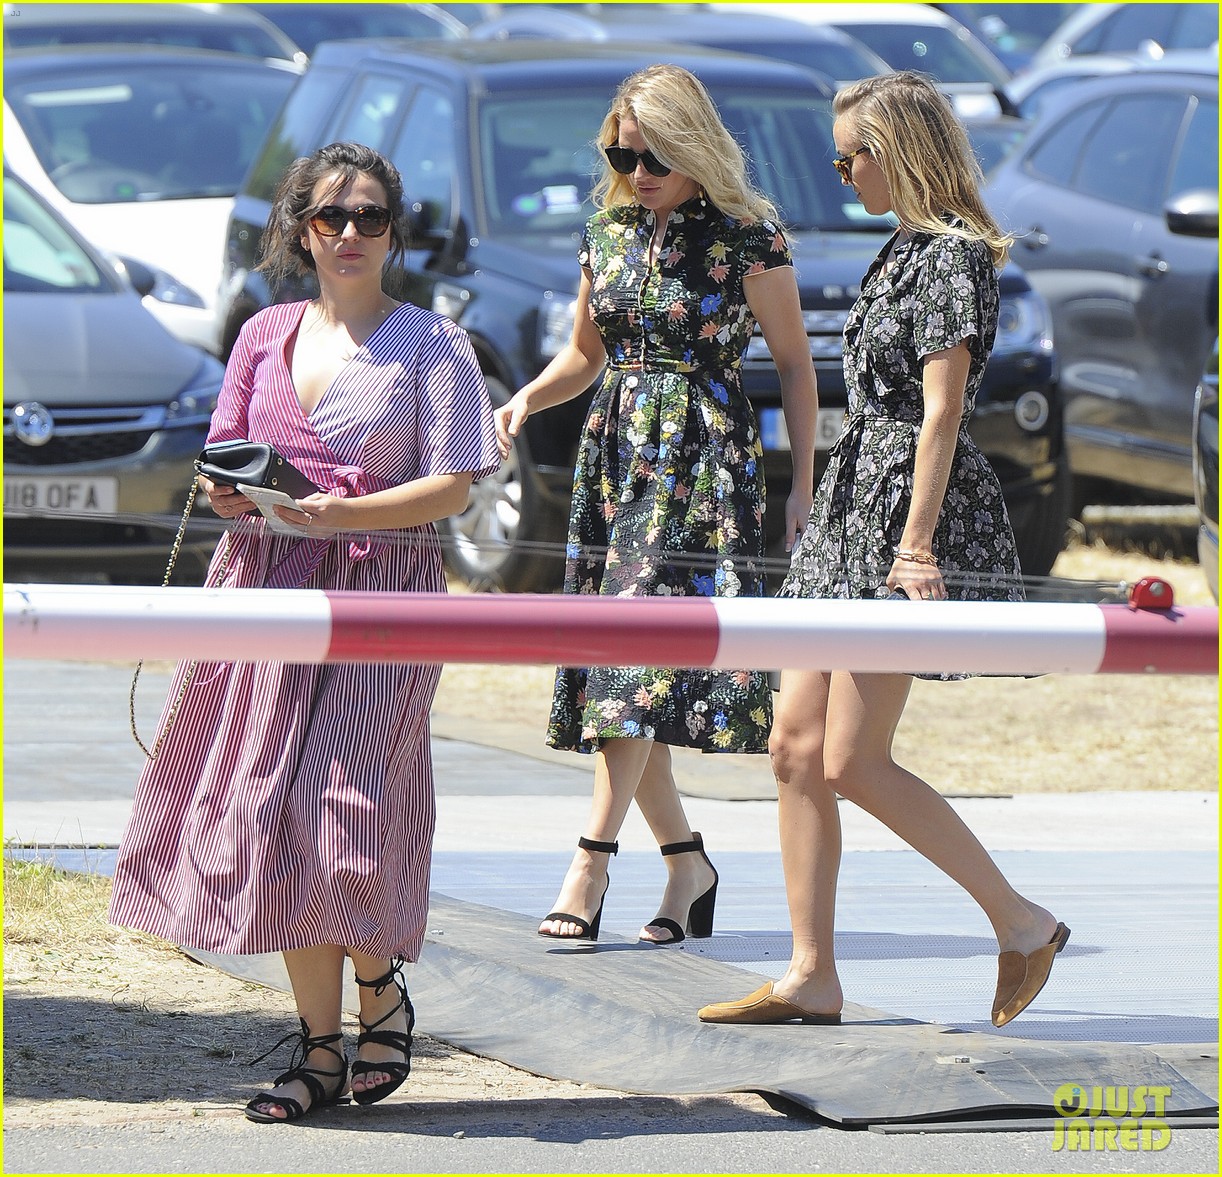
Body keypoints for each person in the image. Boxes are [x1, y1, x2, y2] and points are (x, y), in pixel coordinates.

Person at [108, 142, 499, 1121]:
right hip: (265, 585)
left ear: (394, 233)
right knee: (270, 811)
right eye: (332, 216)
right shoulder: (263, 332)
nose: (352, 232)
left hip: (382, 594)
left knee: (340, 809)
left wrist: (344, 513)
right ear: (302, 228)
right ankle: (321, 1047)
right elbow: (222, 458)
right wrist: (230, 492)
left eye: (371, 216)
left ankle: (379, 987)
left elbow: (454, 485)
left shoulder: (435, 343)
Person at [698, 72, 1068, 1029]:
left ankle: (1022, 921)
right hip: (849, 502)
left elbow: (942, 412)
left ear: (898, 149)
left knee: (854, 759)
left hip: (902, 508)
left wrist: (915, 546)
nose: (842, 174)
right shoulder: (900, 246)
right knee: (792, 747)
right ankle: (811, 973)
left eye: (850, 157)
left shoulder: (952, 255)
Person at [494, 64, 818, 946]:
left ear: (693, 148)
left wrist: (802, 484)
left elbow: (794, 365)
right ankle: (686, 863)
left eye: (654, 157)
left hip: (703, 462)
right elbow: (584, 356)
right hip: (615, 458)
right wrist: (526, 399)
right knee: (629, 674)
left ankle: (590, 860)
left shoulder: (749, 238)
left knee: (633, 663)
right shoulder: (606, 233)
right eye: (622, 155)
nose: (637, 173)